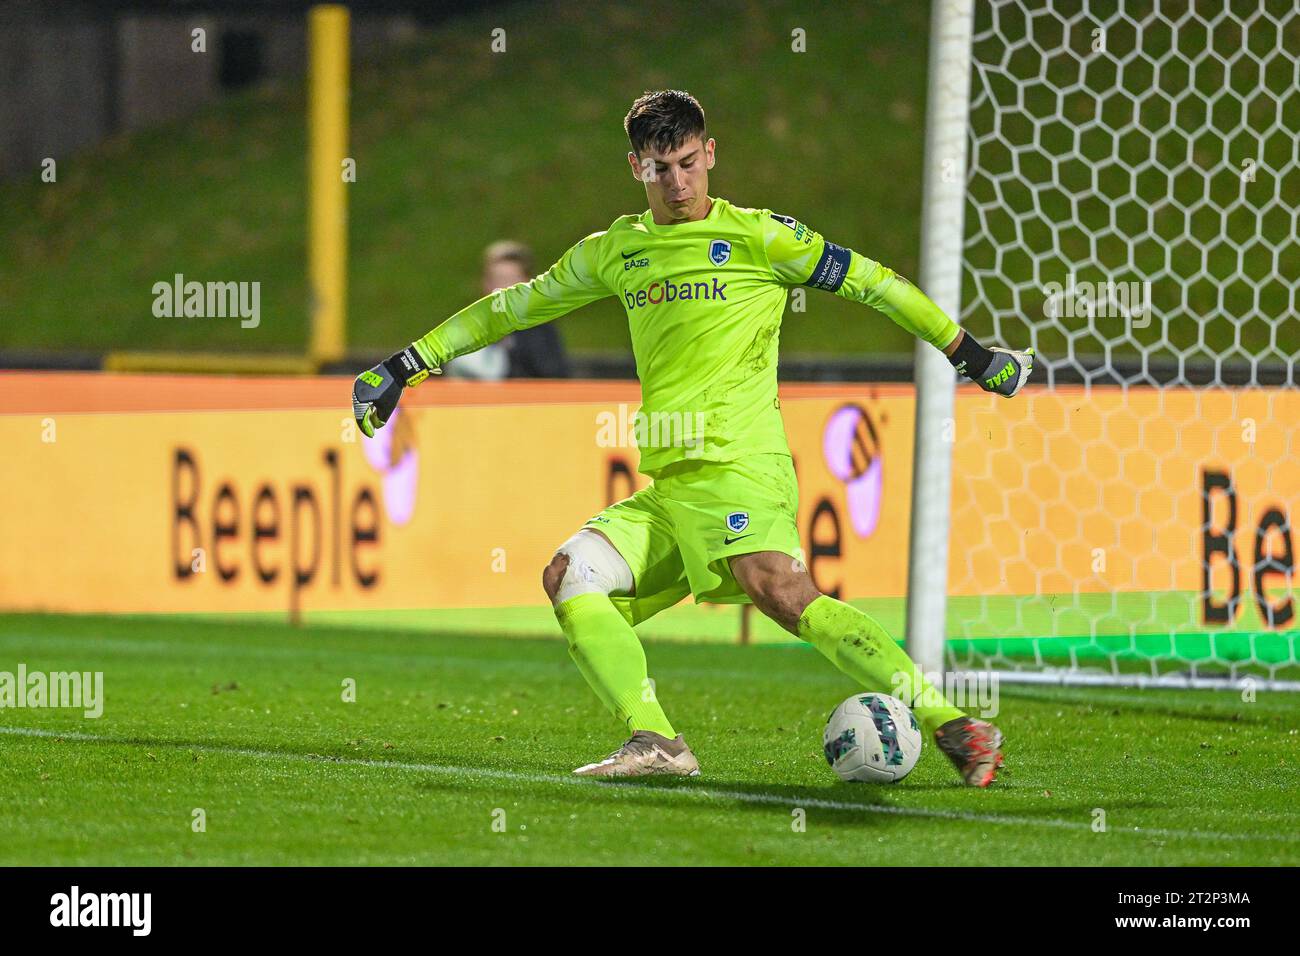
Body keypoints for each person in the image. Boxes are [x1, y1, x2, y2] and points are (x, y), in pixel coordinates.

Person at [352, 90, 1033, 785]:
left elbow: (876, 285)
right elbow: (509, 309)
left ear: (710, 154)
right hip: (674, 487)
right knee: (570, 575)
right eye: (658, 168)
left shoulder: (763, 238)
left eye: (686, 163)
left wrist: (969, 354)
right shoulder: (616, 251)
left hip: (740, 465)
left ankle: (951, 722)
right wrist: (408, 363)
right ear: (635, 169)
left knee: (779, 591)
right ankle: (657, 741)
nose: (677, 183)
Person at [443, 242, 571, 379]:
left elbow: (553, 376)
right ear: (485, 284)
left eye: (511, 280)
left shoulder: (540, 331)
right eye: (497, 280)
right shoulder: (465, 327)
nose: (504, 288)